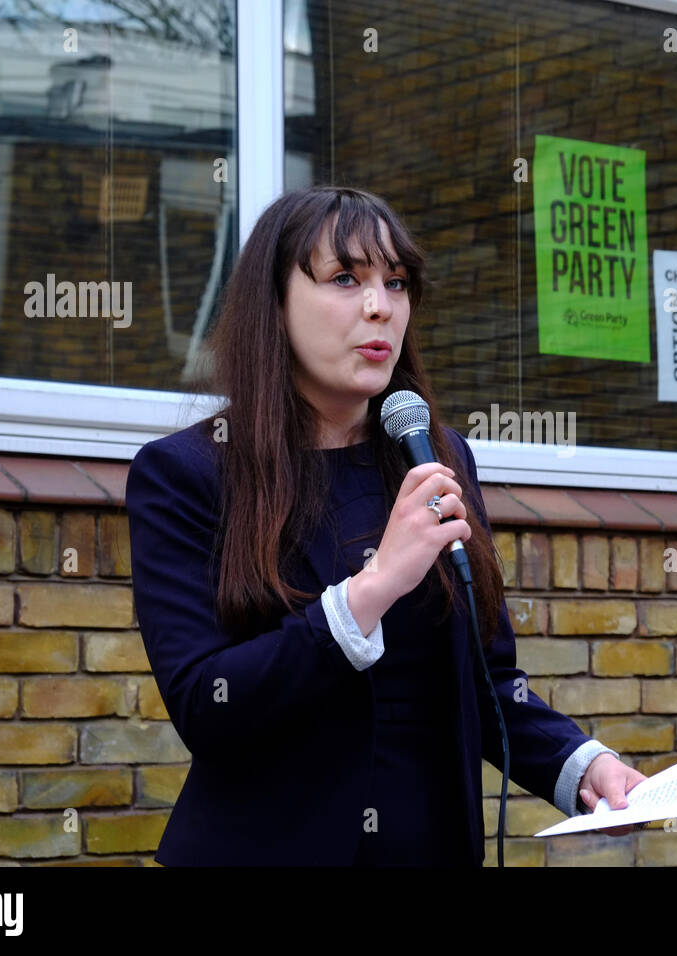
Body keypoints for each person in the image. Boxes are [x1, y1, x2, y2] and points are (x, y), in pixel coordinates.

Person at [125, 184, 646, 866]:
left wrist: (584, 767)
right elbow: (206, 706)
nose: (380, 306)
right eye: (345, 278)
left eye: (395, 282)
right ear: (274, 304)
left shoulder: (434, 452)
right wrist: (373, 588)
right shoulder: (188, 473)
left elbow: (489, 681)